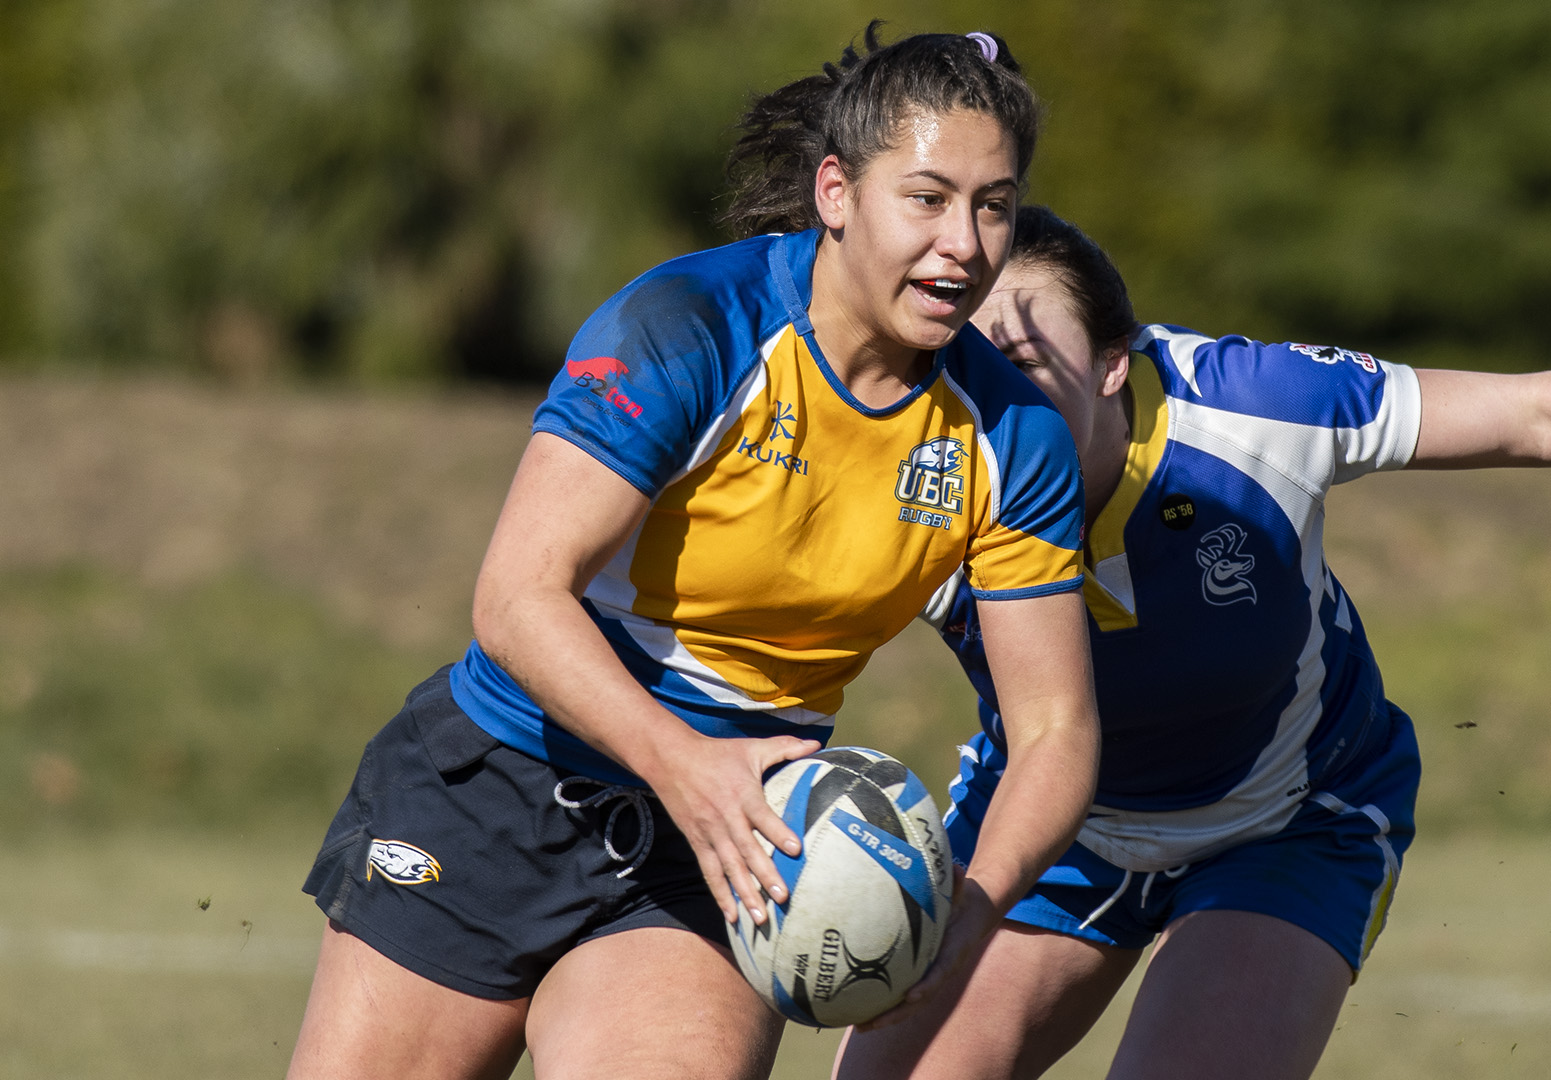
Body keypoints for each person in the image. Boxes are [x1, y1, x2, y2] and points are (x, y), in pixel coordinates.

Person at [833, 204, 1551, 1080]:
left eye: (1025, 358)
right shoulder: (913, 473)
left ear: (1117, 362)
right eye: (969, 362)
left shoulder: (1249, 407)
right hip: (1052, 824)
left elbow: (1533, 417)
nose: (994, 398)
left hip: (1291, 819)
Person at [284, 29, 1102, 1080]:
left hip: (729, 851)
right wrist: (682, 766)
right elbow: (518, 596)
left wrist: (975, 911)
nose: (965, 243)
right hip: (501, 783)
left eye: (995, 205)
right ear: (837, 192)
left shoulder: (1011, 436)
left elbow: (1057, 726)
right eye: (929, 198)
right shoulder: (693, 325)